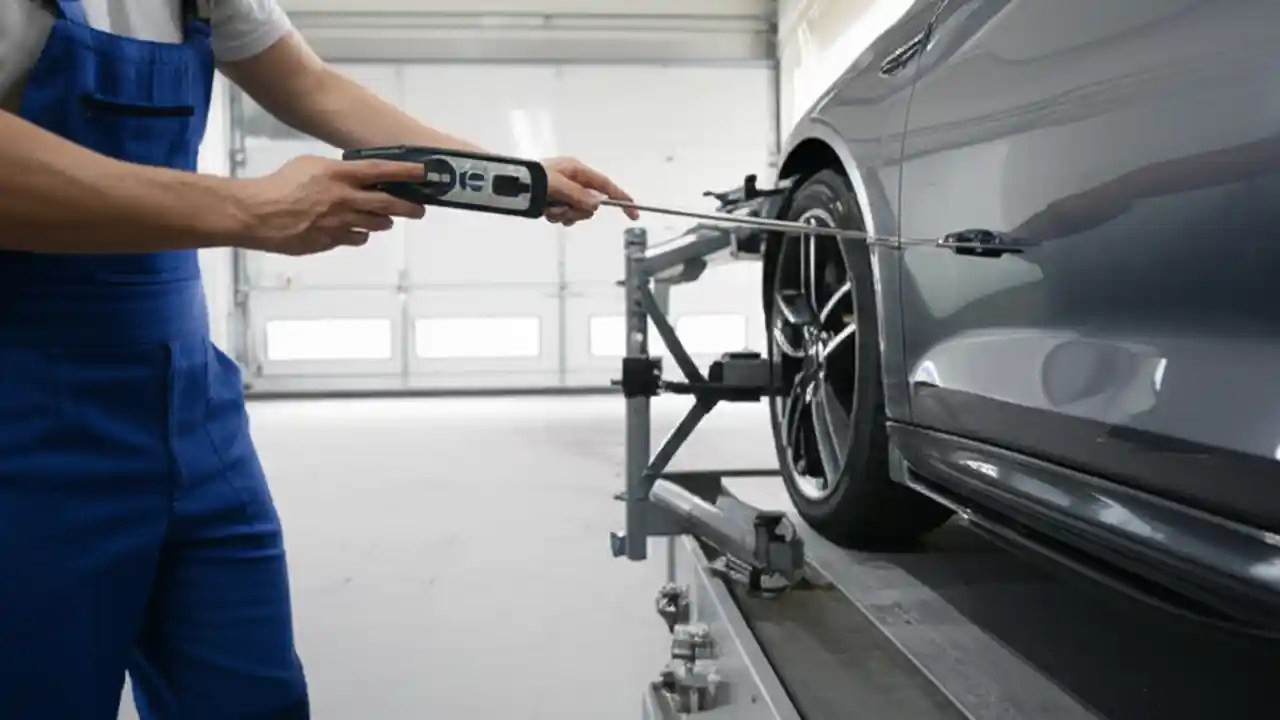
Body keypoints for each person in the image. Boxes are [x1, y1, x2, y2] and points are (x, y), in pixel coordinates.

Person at [0, 1, 639, 717]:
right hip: (21, 408)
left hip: (190, 401)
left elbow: (307, 82)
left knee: (249, 694)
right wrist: (249, 210)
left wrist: (509, 176)